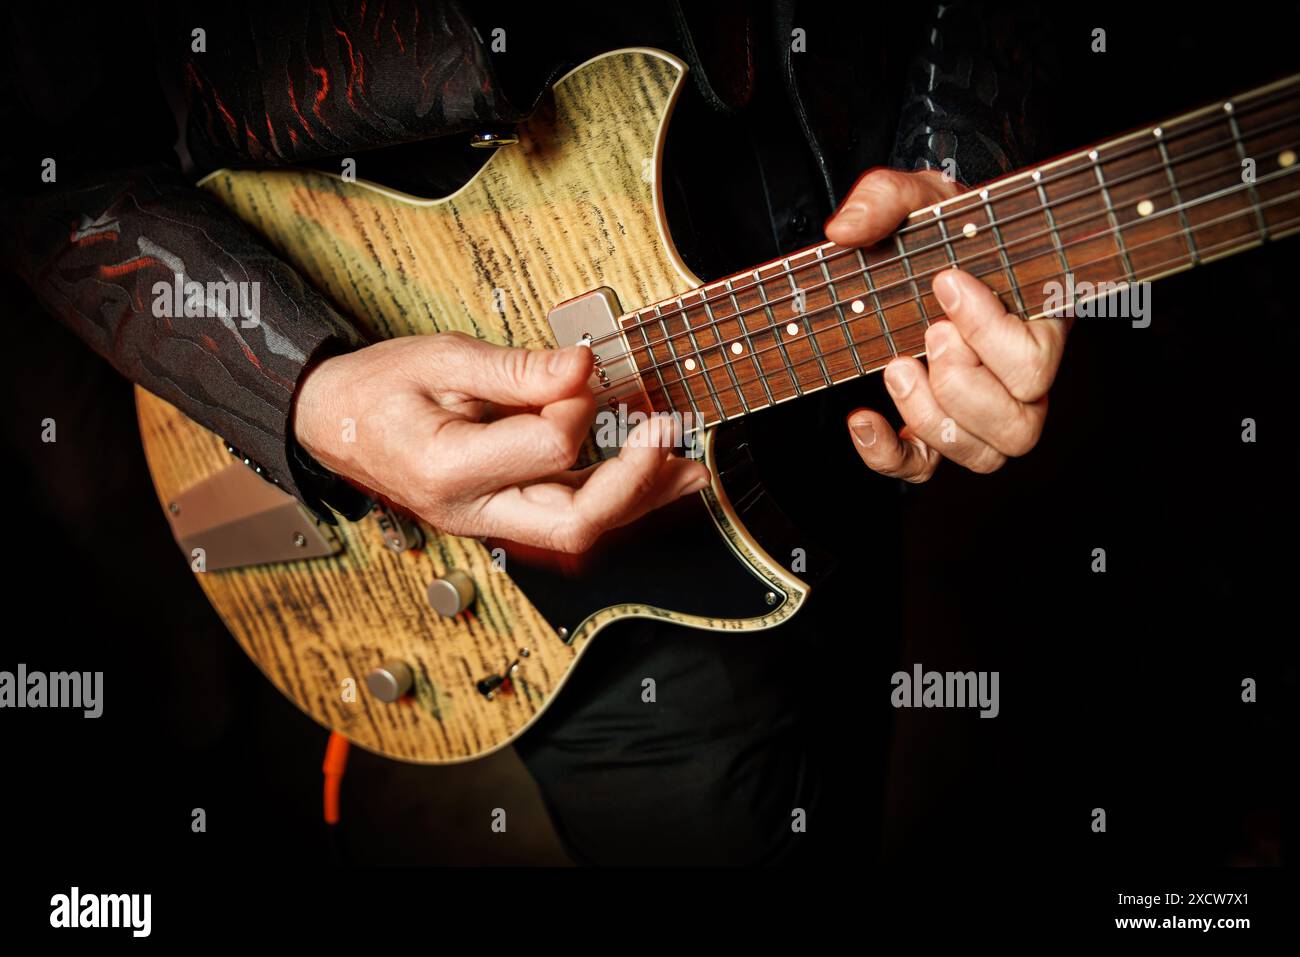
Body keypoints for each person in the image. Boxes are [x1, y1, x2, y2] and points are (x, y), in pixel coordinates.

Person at [1, 1, 1062, 864]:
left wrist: (962, 151)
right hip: (563, 565)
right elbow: (39, 148)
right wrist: (303, 393)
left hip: (843, 377)